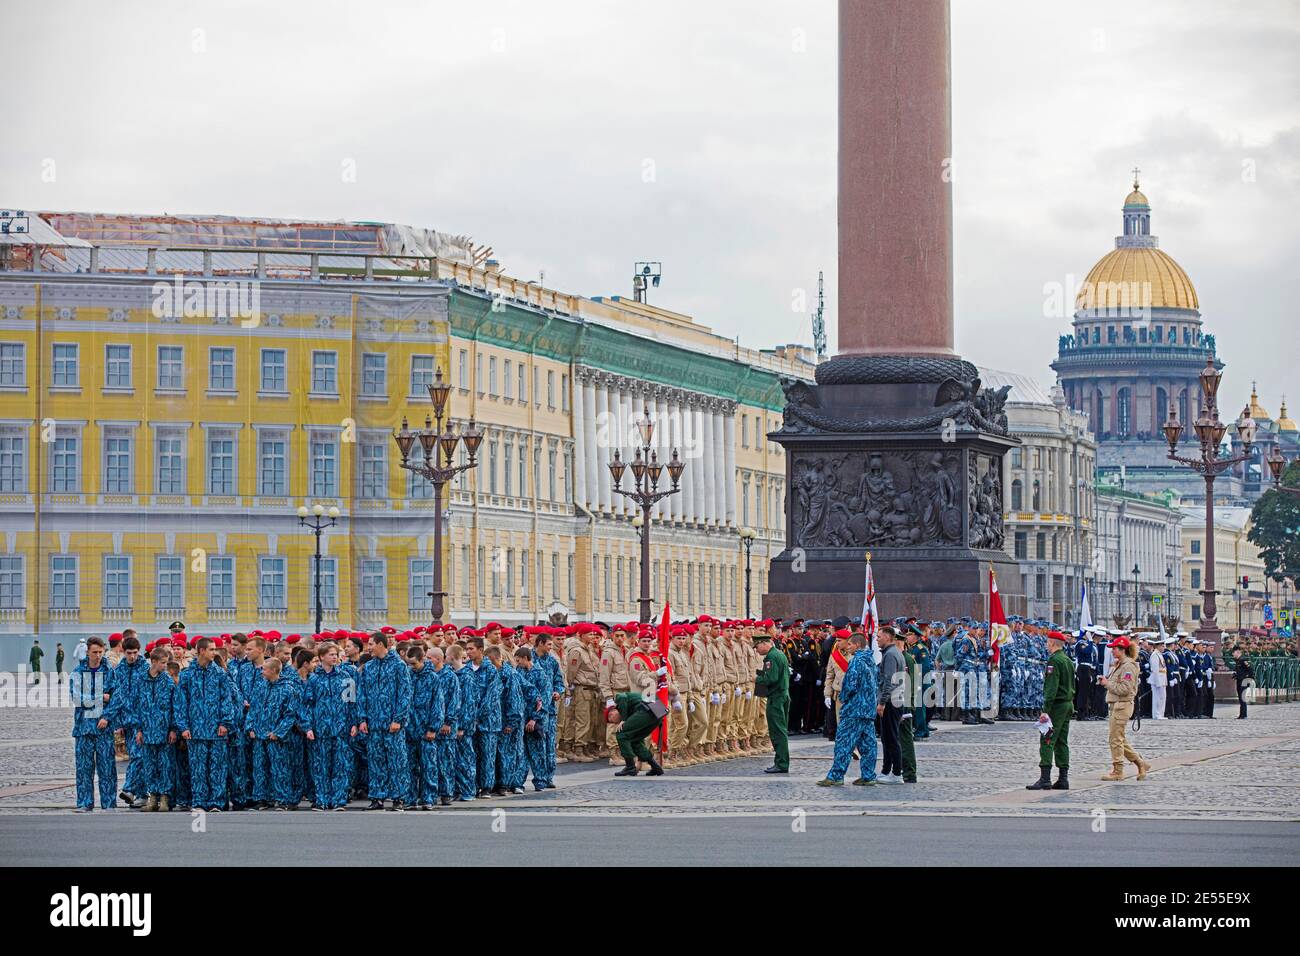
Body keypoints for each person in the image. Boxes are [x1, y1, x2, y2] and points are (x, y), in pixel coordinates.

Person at [175, 637, 235, 812]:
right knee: (198, 768)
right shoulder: (187, 675)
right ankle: (199, 801)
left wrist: (225, 722)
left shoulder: (219, 674)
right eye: (211, 649)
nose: (214, 652)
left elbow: (227, 700)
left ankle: (216, 802)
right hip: (195, 730)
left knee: (217, 767)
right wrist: (183, 727)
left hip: (217, 730)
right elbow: (180, 703)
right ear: (201, 651)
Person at [356, 632, 413, 810]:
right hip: (374, 723)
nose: (368, 647)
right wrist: (362, 718)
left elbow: (405, 694)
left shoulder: (399, 666)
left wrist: (398, 719)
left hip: (392, 724)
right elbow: (362, 694)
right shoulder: (369, 667)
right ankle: (377, 797)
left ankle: (398, 798)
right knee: (376, 761)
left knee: (397, 761)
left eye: (371, 644)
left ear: (381, 644)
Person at [70, 636, 125, 811]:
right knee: (84, 769)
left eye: (101, 652)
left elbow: (117, 698)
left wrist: (107, 717)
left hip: (104, 728)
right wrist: (101, 697)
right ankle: (85, 803)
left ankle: (109, 803)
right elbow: (78, 699)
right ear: (87, 652)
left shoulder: (109, 671)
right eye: (95, 652)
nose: (98, 655)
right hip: (84, 728)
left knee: (107, 768)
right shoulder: (78, 672)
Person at [817, 632, 878, 786]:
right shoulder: (870, 659)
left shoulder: (856, 661)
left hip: (854, 709)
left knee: (843, 742)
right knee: (868, 744)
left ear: (857, 645)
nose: (848, 646)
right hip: (868, 709)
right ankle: (868, 775)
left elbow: (850, 685)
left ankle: (836, 776)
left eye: (850, 644)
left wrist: (843, 698)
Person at [1026, 631, 1074, 790]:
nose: (1046, 645)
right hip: (1067, 704)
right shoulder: (1067, 659)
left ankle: (1045, 778)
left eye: (1048, 642)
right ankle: (1063, 778)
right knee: (1061, 741)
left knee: (1047, 739)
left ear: (1053, 643)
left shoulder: (1054, 660)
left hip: (1056, 706)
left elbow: (1051, 688)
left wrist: (1045, 710)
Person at [1099, 637, 1151, 781]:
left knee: (1116, 739)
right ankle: (1140, 763)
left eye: (1115, 648)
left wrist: (1107, 683)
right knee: (1118, 739)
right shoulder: (1121, 664)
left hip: (1122, 705)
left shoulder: (1128, 666)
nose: (1112, 650)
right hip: (1117, 704)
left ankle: (1118, 771)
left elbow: (1125, 689)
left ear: (1122, 650)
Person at [753, 630, 791, 774]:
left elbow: (771, 678)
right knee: (781, 729)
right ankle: (781, 761)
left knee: (777, 731)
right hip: (783, 695)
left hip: (776, 697)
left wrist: (756, 678)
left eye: (757, 647)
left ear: (764, 643)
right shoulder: (779, 654)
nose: (756, 650)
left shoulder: (771, 657)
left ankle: (781, 763)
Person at [606, 691, 666, 777]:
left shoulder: (618, 699)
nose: (615, 724)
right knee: (635, 740)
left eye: (612, 721)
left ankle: (630, 767)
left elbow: (623, 697)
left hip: (649, 709)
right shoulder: (629, 710)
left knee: (621, 733)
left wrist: (623, 719)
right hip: (658, 711)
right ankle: (655, 767)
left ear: (611, 713)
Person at [1231, 647, 1254, 719]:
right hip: (1239, 680)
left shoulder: (1243, 660)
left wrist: (1248, 678)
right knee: (1240, 698)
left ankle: (1244, 715)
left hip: (1243, 681)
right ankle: (1241, 714)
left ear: (1237, 652)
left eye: (1233, 653)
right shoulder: (1238, 660)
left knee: (1242, 698)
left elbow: (1250, 670)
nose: (1233, 654)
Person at [1149, 636, 1168, 720]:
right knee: (1157, 698)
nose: (1164, 647)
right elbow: (1155, 669)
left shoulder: (1159, 654)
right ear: (1158, 646)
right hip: (1157, 679)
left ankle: (1160, 713)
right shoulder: (1155, 655)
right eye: (1162, 646)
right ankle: (1156, 714)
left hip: (1162, 678)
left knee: (1162, 697)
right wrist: (1157, 681)